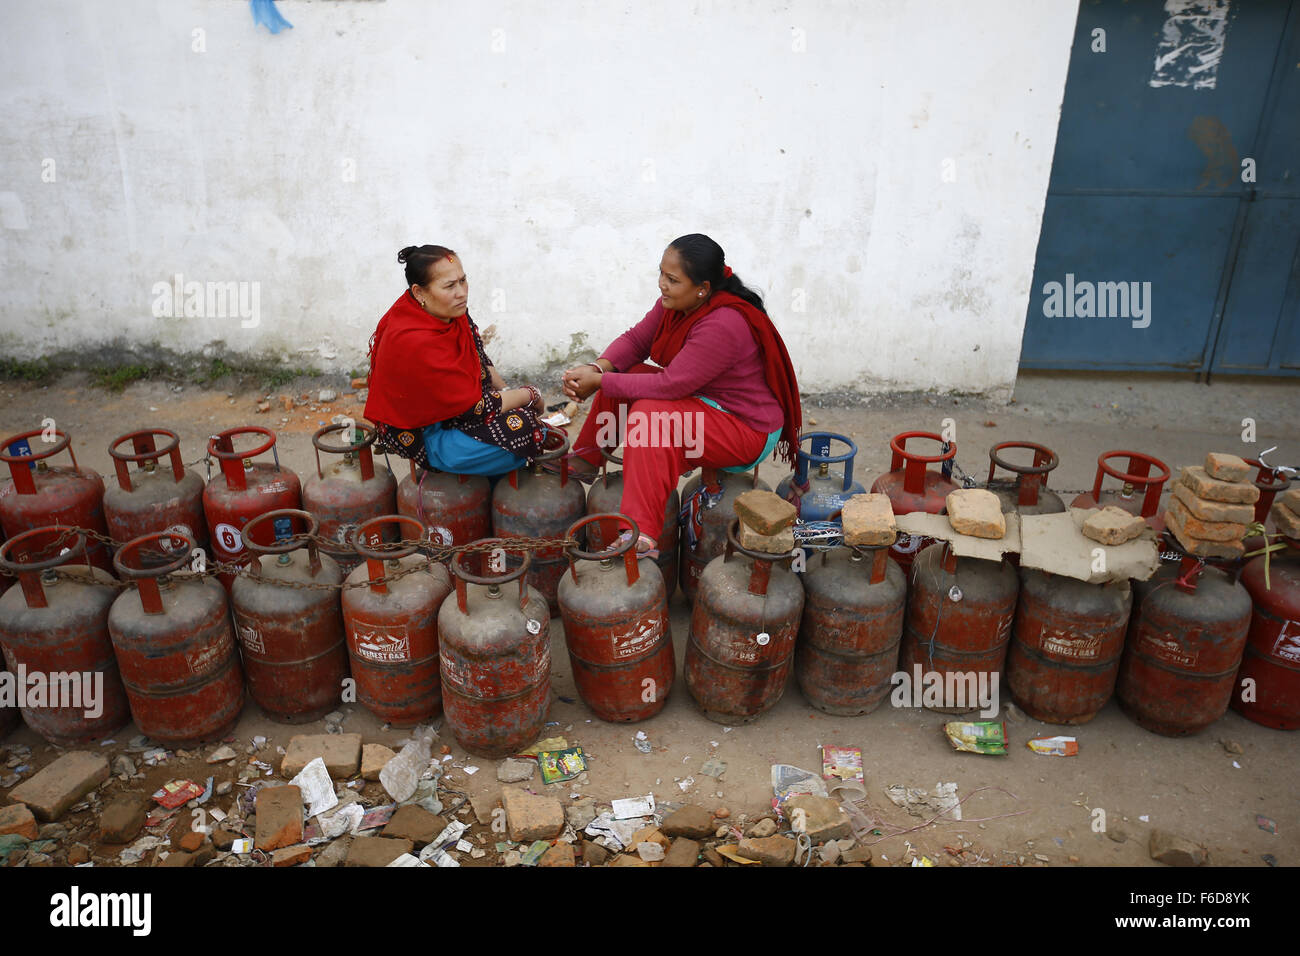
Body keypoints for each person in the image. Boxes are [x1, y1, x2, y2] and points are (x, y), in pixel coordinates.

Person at [562, 234, 802, 556]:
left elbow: (669, 386)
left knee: (651, 417)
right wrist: (598, 368)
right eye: (661, 273)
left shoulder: (724, 323)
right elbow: (636, 341)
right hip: (705, 401)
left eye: (672, 279)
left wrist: (600, 383)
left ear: (702, 287)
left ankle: (641, 536)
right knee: (625, 375)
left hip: (745, 427)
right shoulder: (678, 302)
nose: (662, 284)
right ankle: (585, 459)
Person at [365, 245, 548, 476]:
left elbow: (478, 355)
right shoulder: (413, 339)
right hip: (427, 434)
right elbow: (473, 409)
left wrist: (507, 391)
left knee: (523, 418)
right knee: (523, 427)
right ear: (419, 292)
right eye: (450, 286)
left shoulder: (450, 311)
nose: (461, 292)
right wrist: (529, 394)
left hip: (456, 412)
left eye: (463, 281)